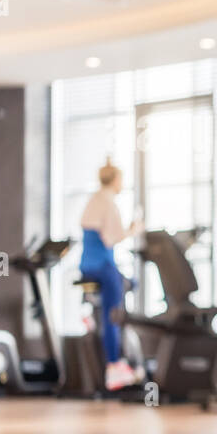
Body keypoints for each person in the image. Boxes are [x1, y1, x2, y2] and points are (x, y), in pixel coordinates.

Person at [78, 160, 143, 390]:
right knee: (113, 315)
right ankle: (114, 365)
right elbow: (112, 238)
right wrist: (134, 229)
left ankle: (88, 315)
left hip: (86, 265)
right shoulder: (108, 203)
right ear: (115, 180)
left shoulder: (93, 200)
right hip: (103, 266)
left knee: (128, 283)